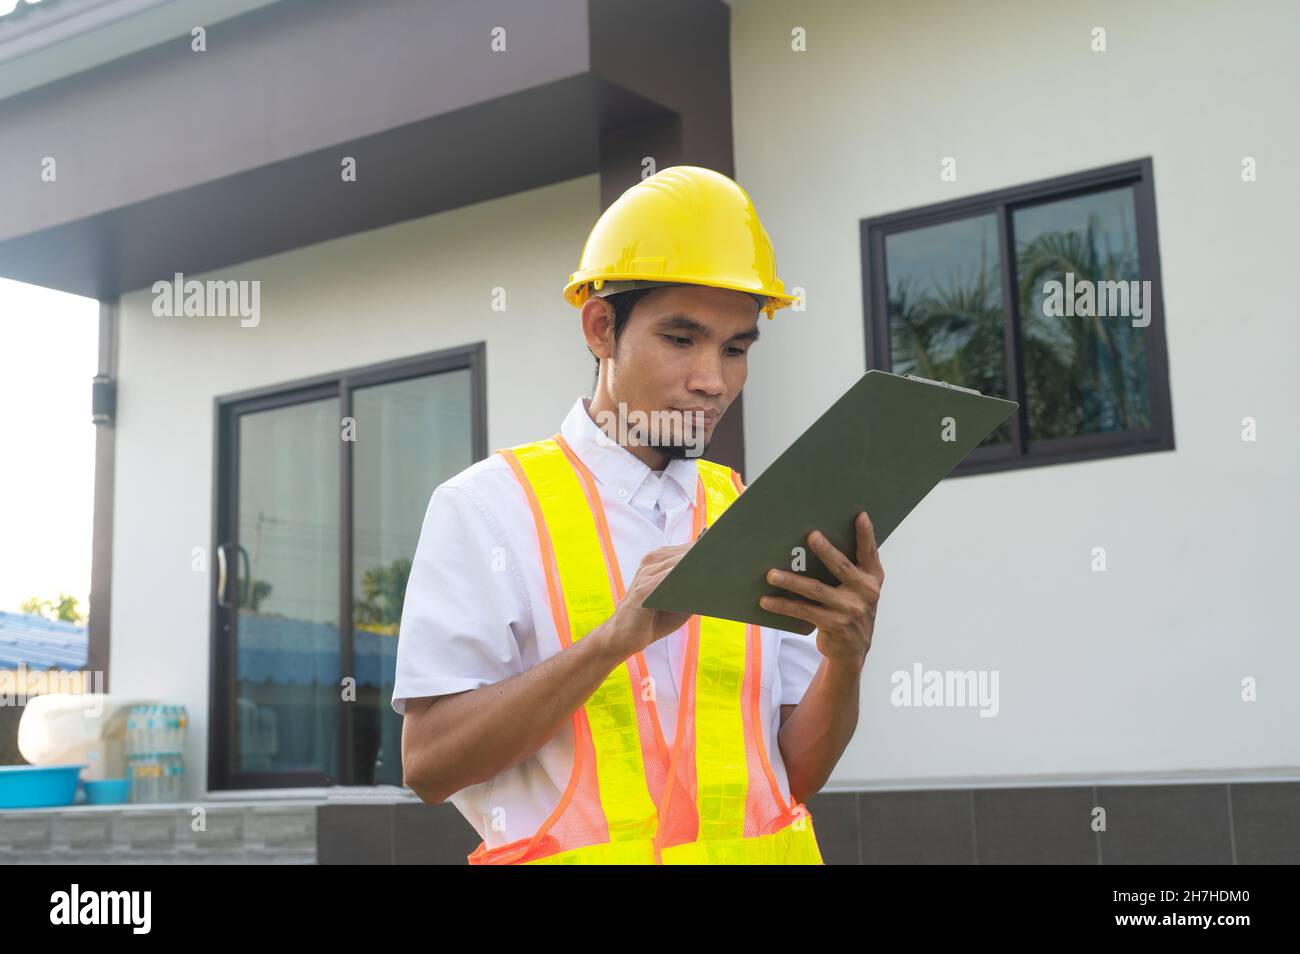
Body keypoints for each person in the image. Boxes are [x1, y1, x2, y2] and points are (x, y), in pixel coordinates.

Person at [393, 166, 884, 864]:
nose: (713, 380)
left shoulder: (753, 512)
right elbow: (430, 765)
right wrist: (613, 640)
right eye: (681, 340)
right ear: (601, 327)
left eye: (736, 348)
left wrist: (846, 657)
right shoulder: (486, 508)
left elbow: (794, 776)